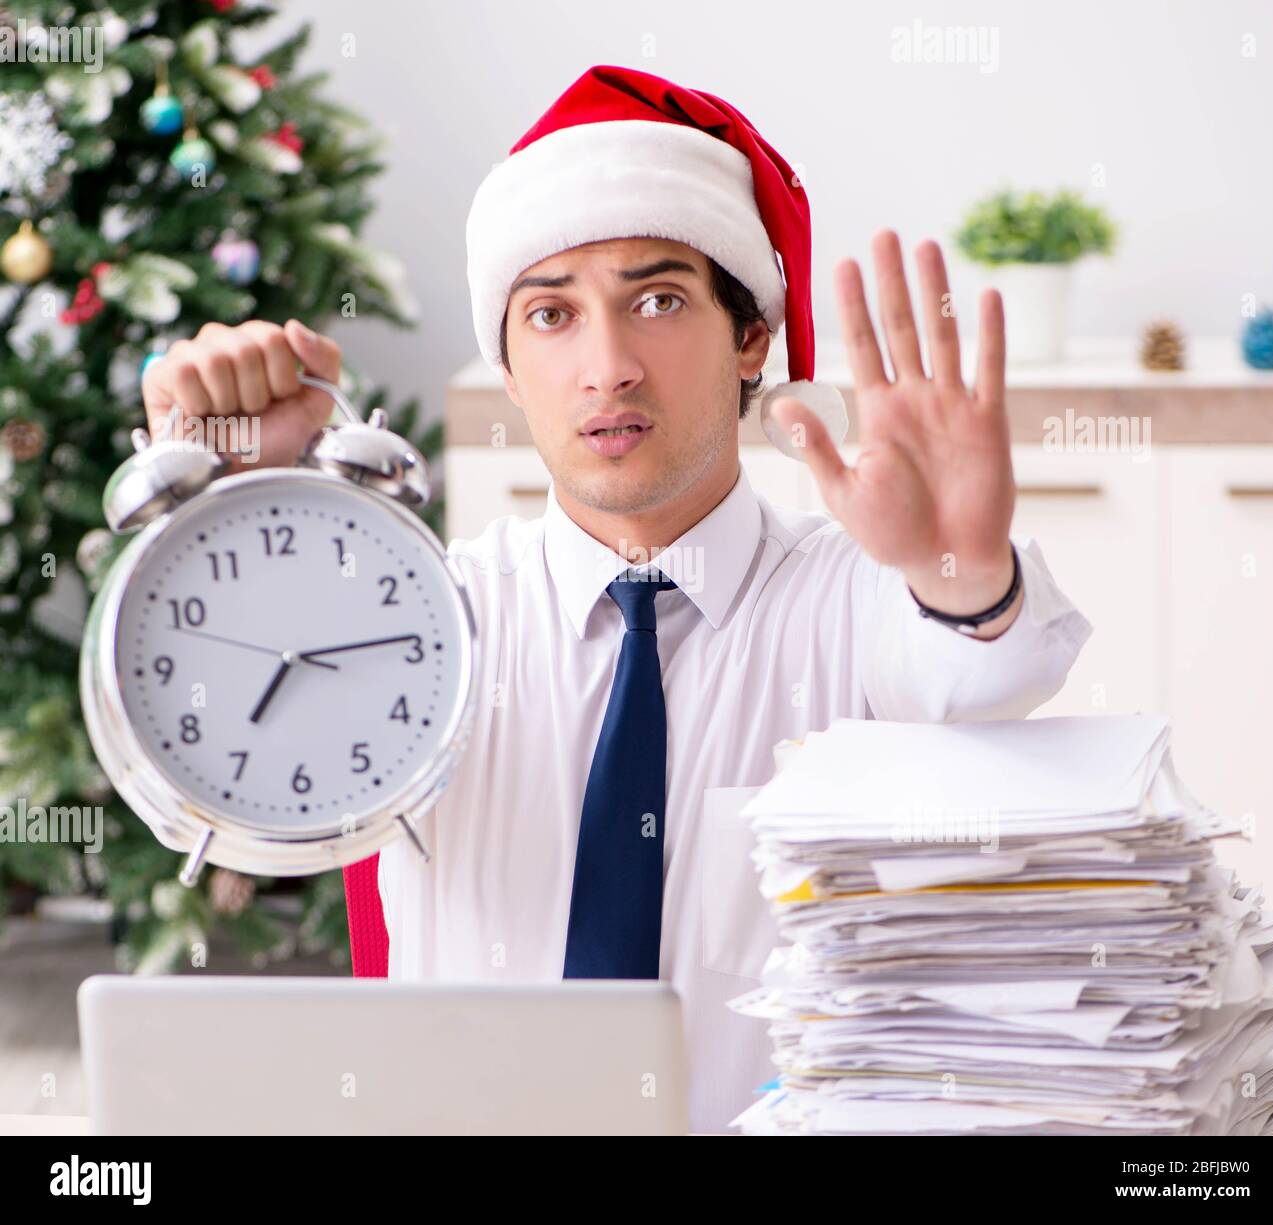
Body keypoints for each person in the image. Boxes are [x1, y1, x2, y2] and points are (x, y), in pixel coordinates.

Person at [142, 64, 1093, 1133]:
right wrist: (228, 521)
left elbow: (987, 664)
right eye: (550, 314)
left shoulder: (853, 595)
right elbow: (220, 803)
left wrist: (960, 570)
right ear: (507, 367)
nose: (607, 367)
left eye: (657, 299)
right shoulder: (424, 623)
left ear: (750, 339)